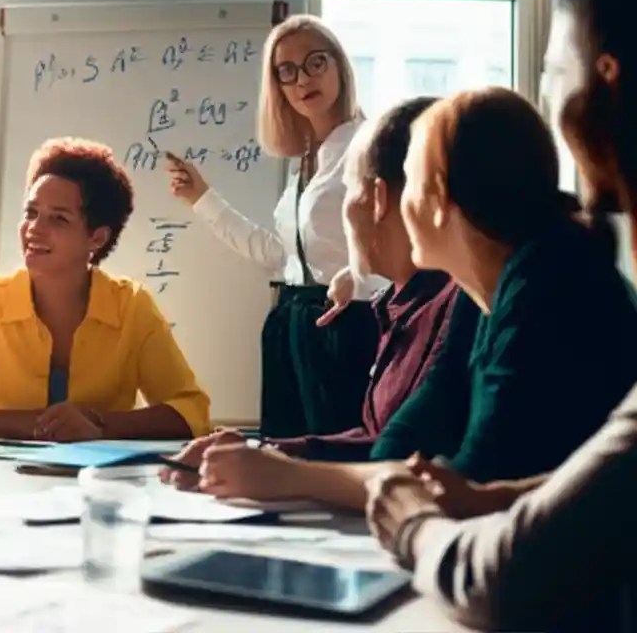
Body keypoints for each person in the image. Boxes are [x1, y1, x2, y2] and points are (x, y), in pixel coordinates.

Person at [175, 86, 637, 511]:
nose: (397, 204)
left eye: (410, 180)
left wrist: (293, 476)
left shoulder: (546, 279)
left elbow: (471, 484)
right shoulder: (488, 296)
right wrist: (270, 459)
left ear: (437, 197)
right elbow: (399, 448)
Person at [367, 0, 637, 631]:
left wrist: (414, 523)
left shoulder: (550, 276)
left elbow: (499, 580)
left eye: (553, 70)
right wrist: (499, 499)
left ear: (605, 81)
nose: (546, 98)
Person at [161, 97, 474, 498]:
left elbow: (398, 453)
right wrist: (264, 452)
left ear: (377, 198)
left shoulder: (457, 306)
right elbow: (373, 440)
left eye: (347, 192)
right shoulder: (399, 303)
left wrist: (283, 470)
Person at [0, 137, 210, 440]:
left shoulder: (131, 305)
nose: (34, 229)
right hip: (1, 470)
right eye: (31, 213)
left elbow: (191, 412)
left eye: (58, 219)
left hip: (98, 470)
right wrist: (38, 425)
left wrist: (98, 424)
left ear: (97, 238)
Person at [166, 14, 377, 438]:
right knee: (286, 452)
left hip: (347, 322)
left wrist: (356, 275)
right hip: (291, 322)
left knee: (337, 452)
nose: (303, 80)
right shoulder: (304, 161)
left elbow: (402, 243)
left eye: (315, 62)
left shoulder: (368, 146)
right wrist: (203, 198)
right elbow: (280, 256)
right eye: (287, 71)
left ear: (339, 65)